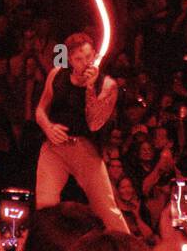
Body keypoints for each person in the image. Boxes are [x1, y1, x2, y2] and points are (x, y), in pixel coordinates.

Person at [35, 31, 129, 232]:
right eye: (78, 59)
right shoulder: (57, 75)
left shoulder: (107, 85)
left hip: (85, 149)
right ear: (70, 59)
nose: (85, 63)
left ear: (95, 55)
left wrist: (90, 87)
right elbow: (40, 110)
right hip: (54, 146)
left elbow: (95, 123)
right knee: (45, 204)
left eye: (88, 57)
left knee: (106, 208)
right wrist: (48, 128)